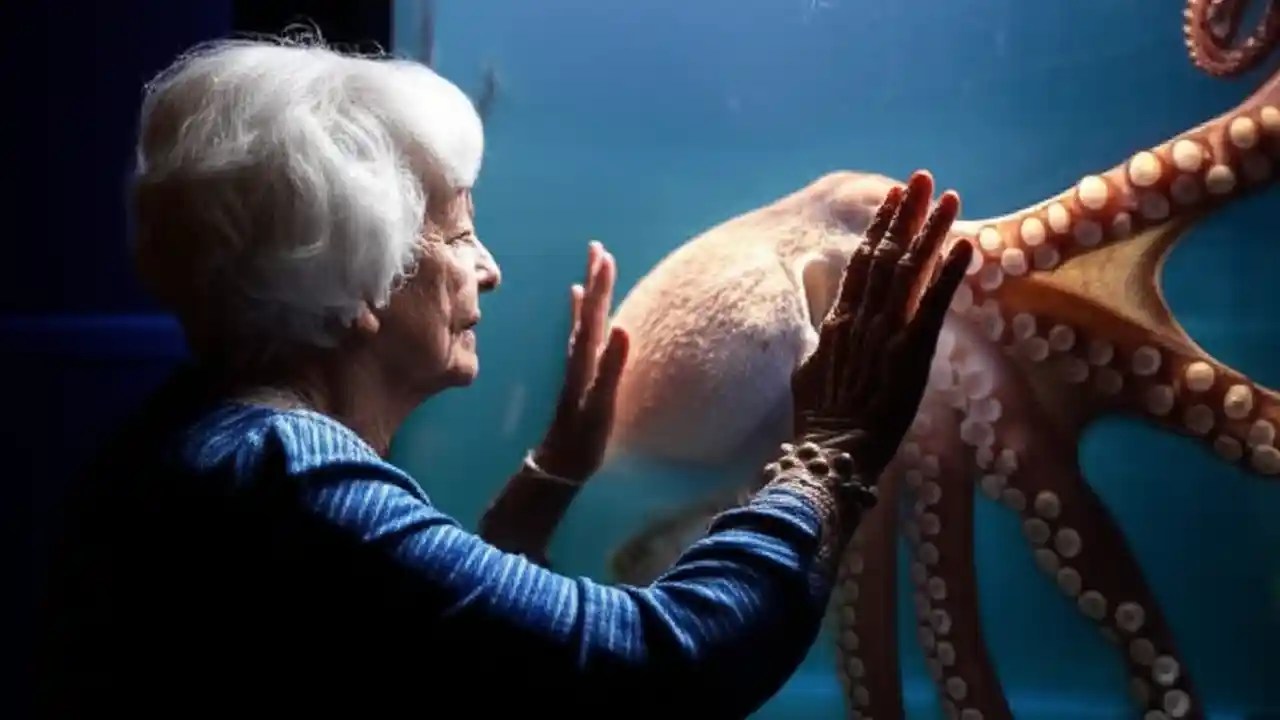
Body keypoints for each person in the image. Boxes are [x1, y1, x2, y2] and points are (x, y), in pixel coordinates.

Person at [33, 36, 974, 718]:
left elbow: (453, 651)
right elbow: (666, 665)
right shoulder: (286, 475)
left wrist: (557, 467)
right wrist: (829, 452)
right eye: (457, 233)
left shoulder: (212, 440)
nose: (490, 269)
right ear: (359, 281)